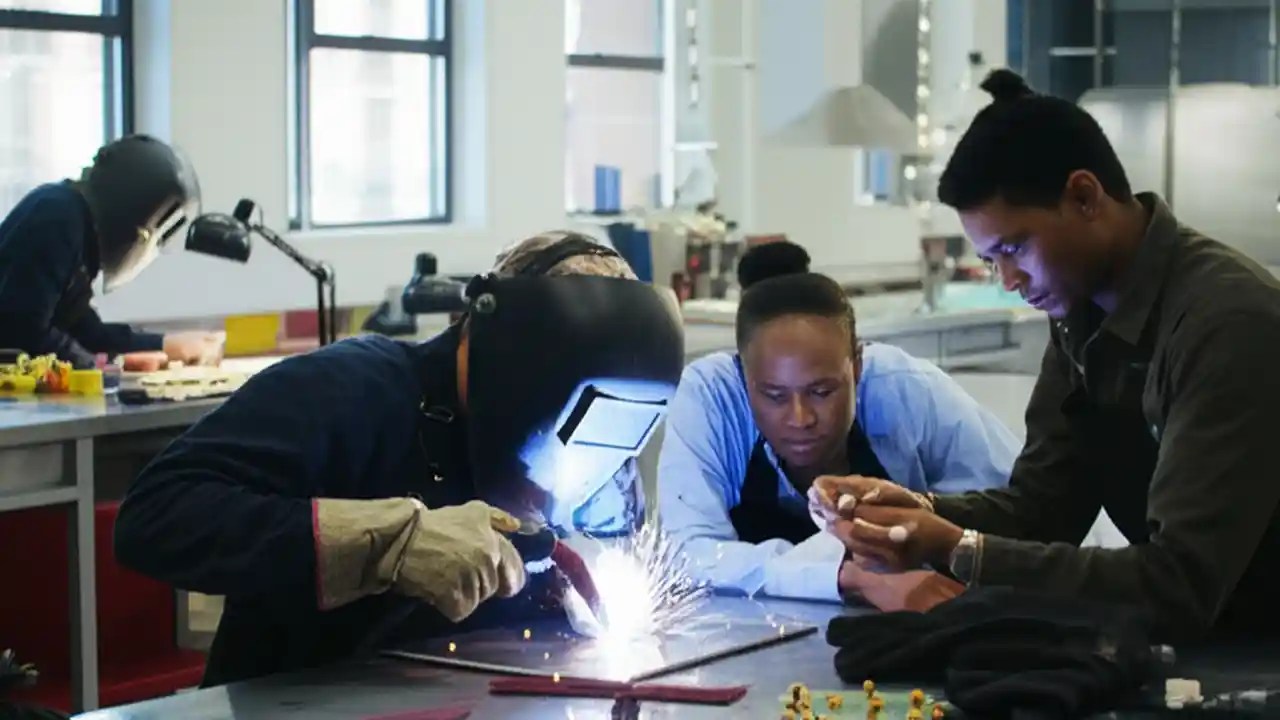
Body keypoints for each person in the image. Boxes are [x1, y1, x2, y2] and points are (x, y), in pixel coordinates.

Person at [814, 69, 1280, 639]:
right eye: (990, 259)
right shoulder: (1079, 315)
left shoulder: (1228, 324)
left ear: (1084, 197)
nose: (1007, 278)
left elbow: (1178, 582)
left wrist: (958, 548)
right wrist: (916, 511)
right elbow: (1041, 510)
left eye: (1014, 248)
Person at [113, 232, 684, 686]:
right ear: (517, 355)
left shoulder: (608, 457)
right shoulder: (355, 390)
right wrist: (391, 542)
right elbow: (154, 516)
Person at [657, 240, 1018, 602]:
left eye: (822, 391)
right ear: (743, 375)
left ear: (856, 366)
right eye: (774, 395)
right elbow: (688, 553)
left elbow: (1019, 506)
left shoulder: (904, 387)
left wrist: (926, 531)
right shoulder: (712, 397)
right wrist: (850, 576)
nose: (800, 419)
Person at [0, 134, 222, 368]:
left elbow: (86, 332)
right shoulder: (59, 216)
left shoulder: (73, 220)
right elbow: (23, 332)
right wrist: (104, 367)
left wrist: (165, 345)